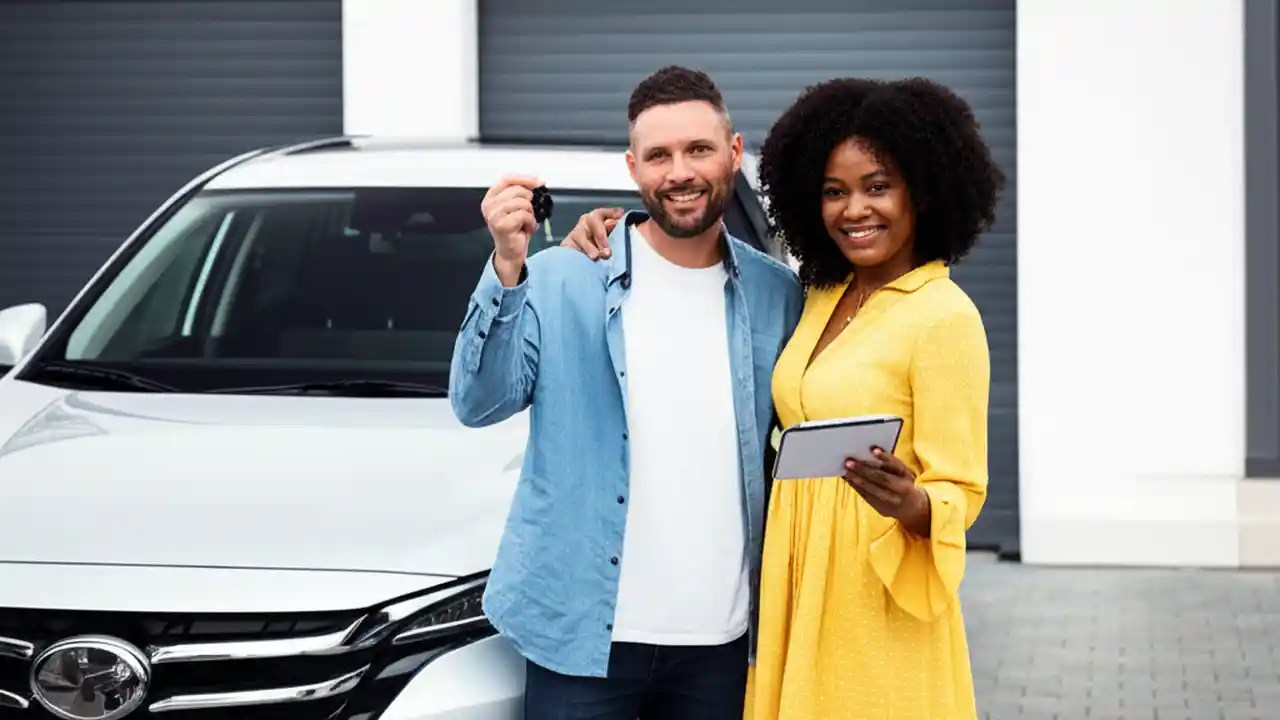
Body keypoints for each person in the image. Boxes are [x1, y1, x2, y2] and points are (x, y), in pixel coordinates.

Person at [562, 76, 1003, 719]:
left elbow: (961, 491)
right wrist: (616, 228)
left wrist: (912, 502)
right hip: (791, 573)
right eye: (834, 191)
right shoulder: (819, 295)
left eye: (877, 186)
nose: (855, 209)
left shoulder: (944, 317)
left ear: (923, 192)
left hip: (871, 588)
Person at [448, 65, 802, 720]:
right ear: (634, 167)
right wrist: (504, 264)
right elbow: (479, 402)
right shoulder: (561, 278)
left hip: (722, 645)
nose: (680, 172)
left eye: (698, 149)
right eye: (659, 155)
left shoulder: (777, 295)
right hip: (581, 638)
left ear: (733, 152)